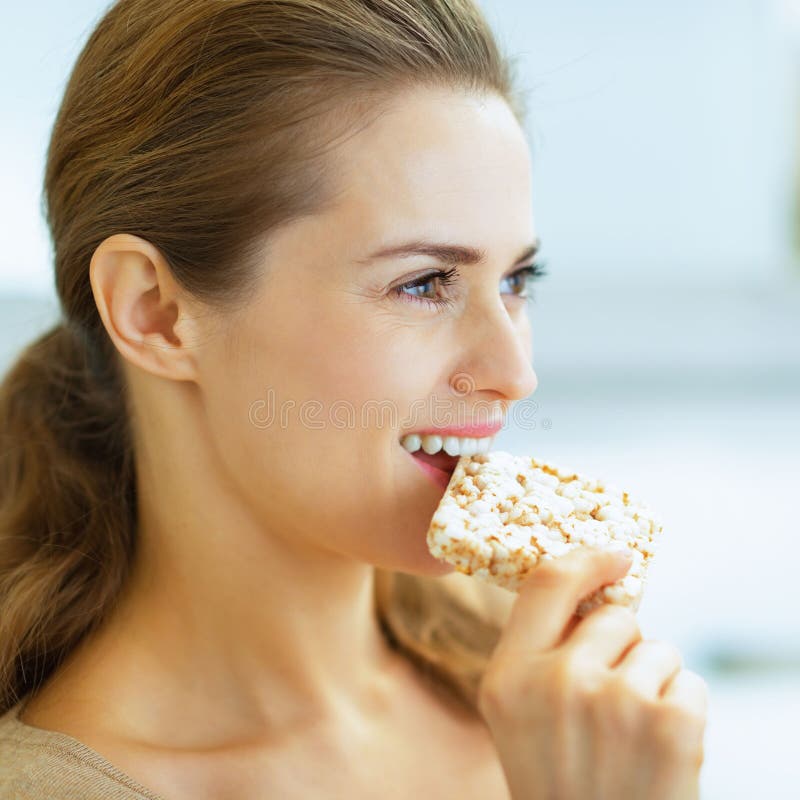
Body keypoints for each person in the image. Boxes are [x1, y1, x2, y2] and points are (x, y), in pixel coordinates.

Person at [0, 1, 708, 797]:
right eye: (423, 283)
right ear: (156, 313)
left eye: (515, 280)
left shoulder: (571, 705)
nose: (515, 373)